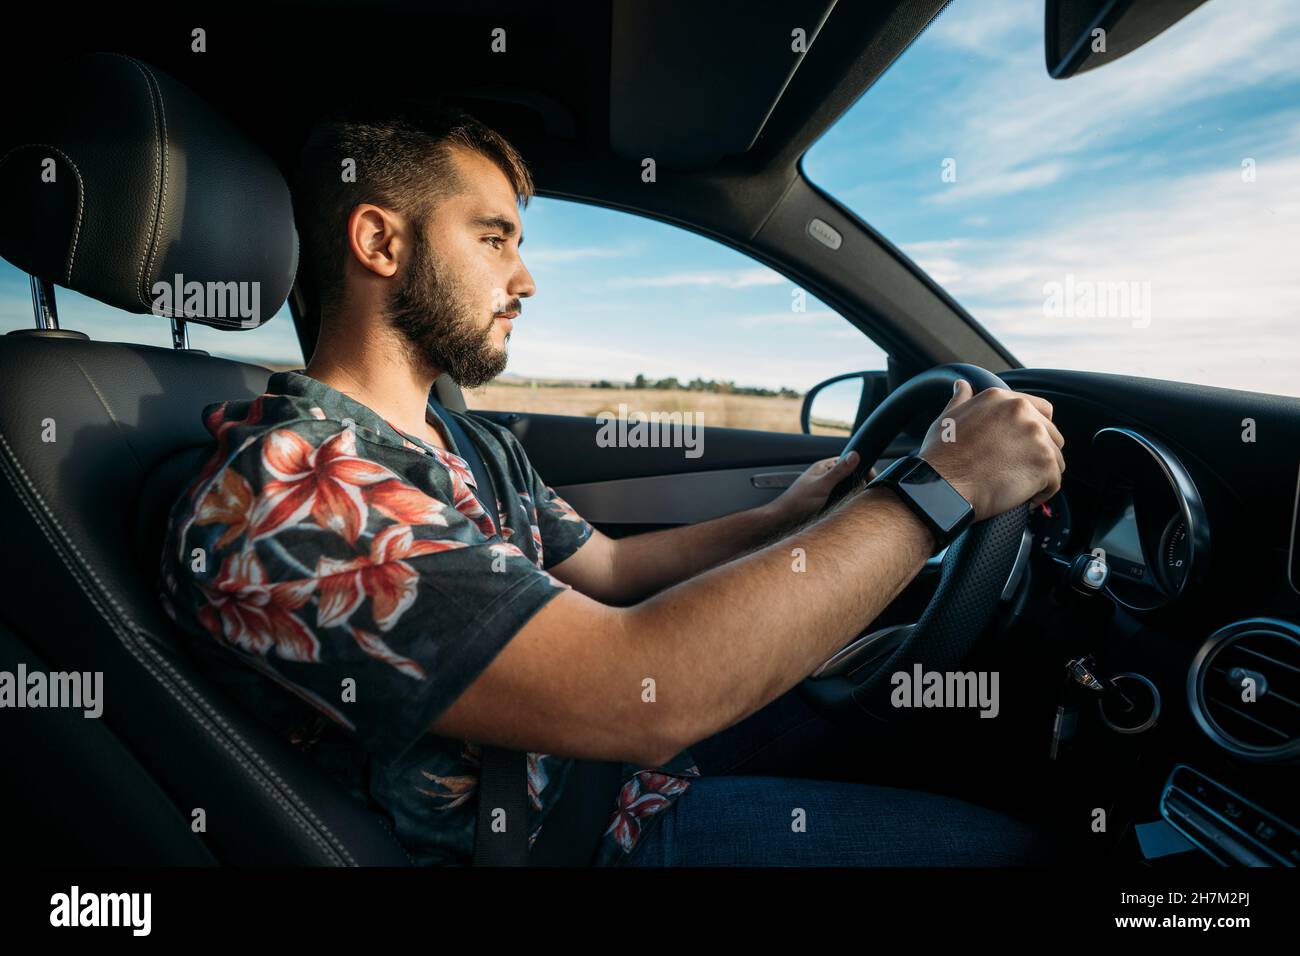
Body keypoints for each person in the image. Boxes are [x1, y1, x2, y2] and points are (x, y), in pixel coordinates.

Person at [159, 104, 1066, 866]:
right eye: (493, 238)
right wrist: (937, 491)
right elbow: (646, 689)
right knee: (1019, 855)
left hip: (602, 770)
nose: (525, 279)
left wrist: (786, 519)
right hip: (576, 840)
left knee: (942, 733)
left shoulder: (463, 438)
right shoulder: (297, 490)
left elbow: (610, 572)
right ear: (379, 241)